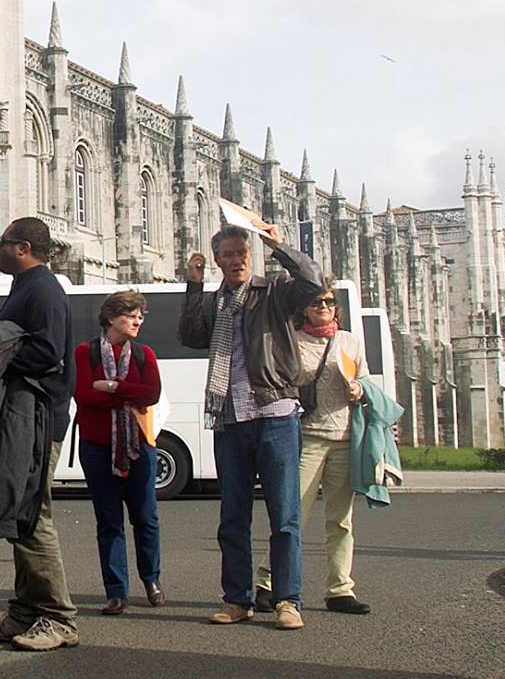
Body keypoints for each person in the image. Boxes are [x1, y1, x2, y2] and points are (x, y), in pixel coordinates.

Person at [180, 215, 322, 631]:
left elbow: (313, 284)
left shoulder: (274, 291)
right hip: (230, 416)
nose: (237, 260)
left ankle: (288, 600)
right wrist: (193, 284)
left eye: (243, 253)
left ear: (251, 255)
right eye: (228, 255)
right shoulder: (214, 300)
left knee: (284, 516)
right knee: (233, 515)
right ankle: (237, 599)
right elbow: (190, 335)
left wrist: (278, 246)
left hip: (274, 411)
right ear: (218, 261)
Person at [0, 217, 80, 652]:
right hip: (23, 414)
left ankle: (59, 618)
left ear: (22, 247)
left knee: (32, 514)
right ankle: (24, 611)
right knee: (20, 512)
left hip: (38, 416)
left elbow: (47, 351)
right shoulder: (26, 286)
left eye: (1, 245)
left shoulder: (43, 290)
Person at [252, 288, 369, 615]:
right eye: (316, 301)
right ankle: (267, 582)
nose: (323, 306)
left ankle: (339, 589)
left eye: (329, 302)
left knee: (341, 519)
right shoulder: (292, 338)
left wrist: (359, 388)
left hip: (344, 436)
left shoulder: (348, 341)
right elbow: (280, 379)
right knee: (292, 516)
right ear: (304, 308)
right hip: (304, 436)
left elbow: (365, 380)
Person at [73, 290, 164, 617]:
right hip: (97, 446)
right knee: (108, 519)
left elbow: (151, 393)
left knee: (146, 516)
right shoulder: (86, 352)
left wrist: (112, 387)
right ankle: (116, 591)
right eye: (131, 315)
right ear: (111, 318)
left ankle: (151, 578)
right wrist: (127, 395)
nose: (138, 320)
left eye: (141, 315)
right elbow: (83, 394)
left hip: (139, 445)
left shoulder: (144, 354)